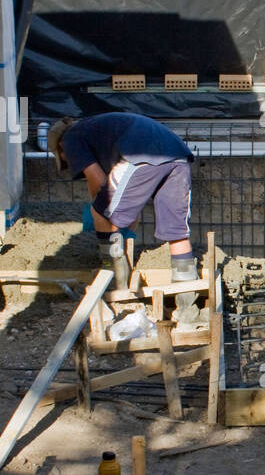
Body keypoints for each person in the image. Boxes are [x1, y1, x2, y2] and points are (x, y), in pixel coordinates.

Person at [48, 112, 202, 326]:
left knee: (99, 212)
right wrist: (120, 214)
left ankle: (114, 280)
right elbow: (123, 193)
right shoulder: (97, 130)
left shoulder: (70, 138)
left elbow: (97, 180)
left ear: (61, 150)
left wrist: (102, 212)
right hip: (177, 155)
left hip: (140, 156)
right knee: (177, 233)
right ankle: (187, 309)